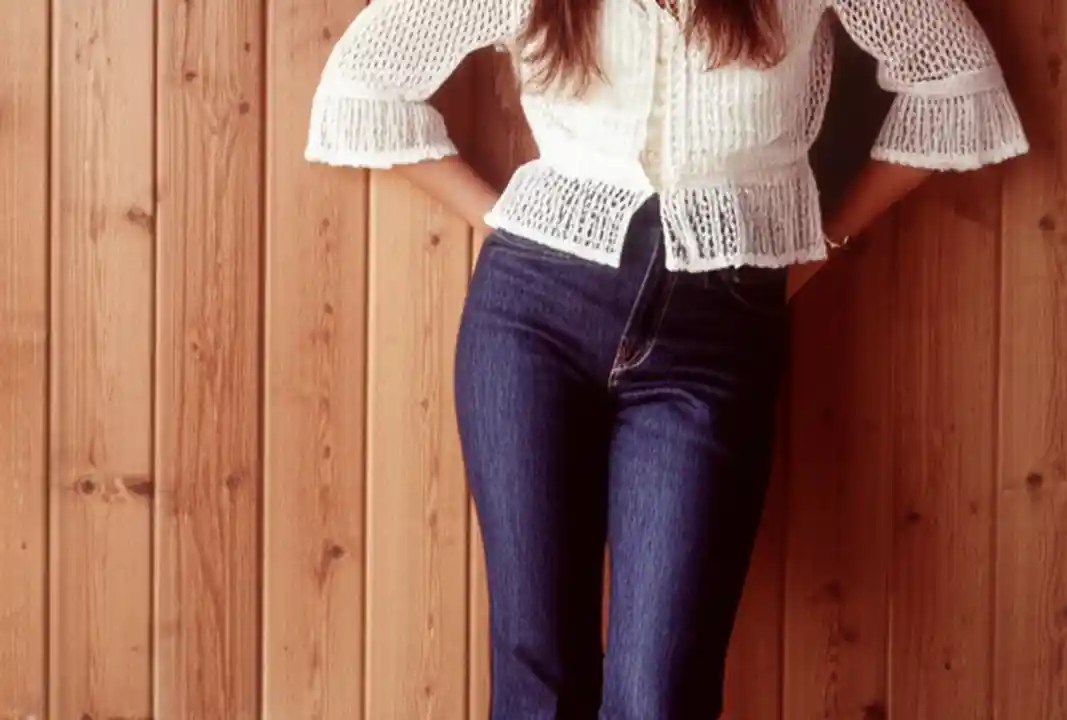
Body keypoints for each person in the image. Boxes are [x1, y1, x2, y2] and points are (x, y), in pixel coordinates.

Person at [307, 0, 1027, 716]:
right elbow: (364, 83)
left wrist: (821, 244)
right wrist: (505, 225)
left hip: (714, 337)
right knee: (538, 679)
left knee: (661, 696)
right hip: (531, 322)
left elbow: (956, 84)